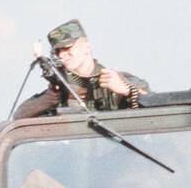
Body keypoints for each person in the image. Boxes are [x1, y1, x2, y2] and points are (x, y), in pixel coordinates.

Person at [13, 18, 150, 120]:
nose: (62, 54)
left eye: (67, 47)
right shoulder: (60, 88)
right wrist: (49, 99)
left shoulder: (116, 79)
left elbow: (157, 105)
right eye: (58, 51)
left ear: (87, 46)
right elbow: (20, 116)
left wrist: (126, 90)